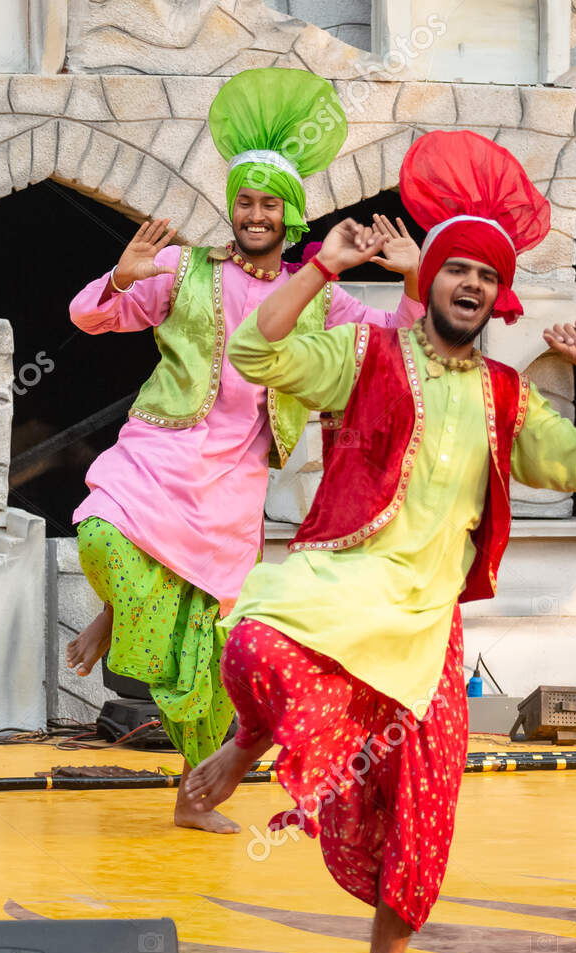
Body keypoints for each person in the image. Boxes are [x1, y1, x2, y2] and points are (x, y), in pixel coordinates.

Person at [181, 131, 576, 953]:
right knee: (256, 648)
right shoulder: (366, 356)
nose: (471, 284)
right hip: (342, 580)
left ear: (497, 297)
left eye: (486, 276)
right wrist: (320, 267)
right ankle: (247, 742)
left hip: (428, 622)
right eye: (456, 269)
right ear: (429, 283)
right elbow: (260, 355)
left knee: (425, 805)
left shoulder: (507, 394)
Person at [62, 68, 424, 833]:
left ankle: (193, 798)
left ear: (290, 217)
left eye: (269, 204)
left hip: (232, 492)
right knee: (98, 535)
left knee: (210, 660)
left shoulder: (319, 298)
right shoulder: (187, 271)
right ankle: (119, 613)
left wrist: (416, 277)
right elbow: (90, 318)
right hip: (155, 461)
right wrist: (115, 279)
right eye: (245, 202)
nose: (254, 215)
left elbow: (399, 345)